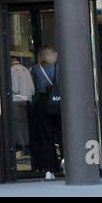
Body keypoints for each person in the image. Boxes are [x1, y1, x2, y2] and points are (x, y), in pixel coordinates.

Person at [29, 46, 61, 179]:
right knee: (61, 133)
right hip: (58, 101)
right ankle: (66, 161)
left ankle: (50, 169)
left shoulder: (35, 69)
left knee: (46, 137)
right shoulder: (59, 68)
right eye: (54, 53)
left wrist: (33, 105)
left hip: (42, 103)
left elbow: (34, 90)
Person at [9, 54, 35, 158]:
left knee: (17, 127)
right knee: (25, 126)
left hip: (16, 101)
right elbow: (32, 90)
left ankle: (20, 148)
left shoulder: (12, 70)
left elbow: (14, 88)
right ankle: (27, 148)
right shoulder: (26, 70)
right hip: (27, 101)